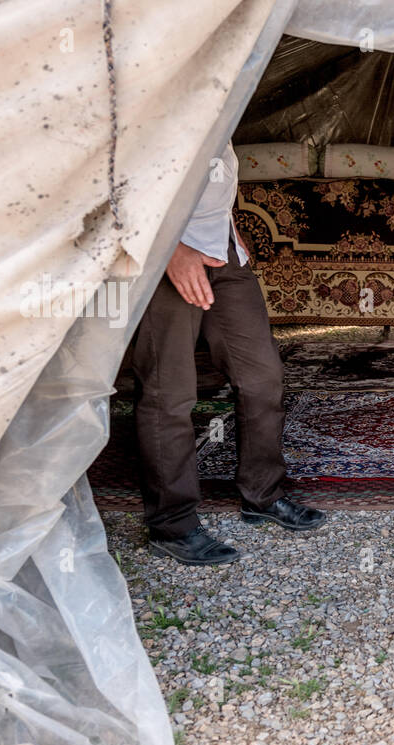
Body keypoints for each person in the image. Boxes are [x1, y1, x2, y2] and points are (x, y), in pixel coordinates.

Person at [131, 140, 325, 565]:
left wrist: (228, 223)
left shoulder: (219, 90)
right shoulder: (149, 96)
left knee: (261, 377)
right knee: (170, 392)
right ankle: (172, 523)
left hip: (223, 254)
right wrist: (173, 250)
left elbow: (212, 174)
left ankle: (263, 494)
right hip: (165, 255)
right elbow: (121, 186)